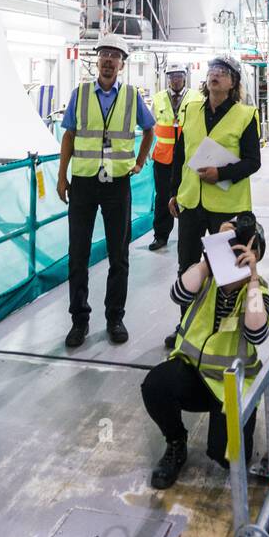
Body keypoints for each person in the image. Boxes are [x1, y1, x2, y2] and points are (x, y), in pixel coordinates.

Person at [141, 215, 269, 489]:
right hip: (194, 375)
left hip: (230, 389)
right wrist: (208, 260)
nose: (232, 256)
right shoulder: (206, 279)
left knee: (228, 458)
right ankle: (176, 443)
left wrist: (250, 278)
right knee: (155, 385)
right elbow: (177, 294)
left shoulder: (258, 290)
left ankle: (240, 422)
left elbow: (256, 333)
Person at [56, 34, 155, 349]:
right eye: (104, 55)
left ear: (122, 64)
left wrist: (140, 162)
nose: (109, 60)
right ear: (96, 61)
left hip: (117, 184)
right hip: (84, 182)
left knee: (119, 255)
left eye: (115, 55)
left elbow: (150, 129)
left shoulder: (131, 96)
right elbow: (69, 136)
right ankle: (79, 321)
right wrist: (62, 177)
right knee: (78, 256)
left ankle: (115, 317)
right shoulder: (81, 94)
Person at [164, 53, 261, 347]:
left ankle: (222, 333)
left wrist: (221, 172)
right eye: (212, 70)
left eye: (222, 71)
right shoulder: (192, 110)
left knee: (226, 272)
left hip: (227, 208)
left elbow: (252, 162)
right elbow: (181, 154)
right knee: (188, 266)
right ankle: (187, 327)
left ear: (233, 83)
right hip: (192, 203)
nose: (215, 74)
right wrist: (173, 192)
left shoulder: (245, 116)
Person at [148, 63, 201, 252]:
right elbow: (150, 126)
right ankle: (160, 236)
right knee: (163, 198)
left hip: (187, 157)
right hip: (163, 158)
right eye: (172, 76)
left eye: (179, 76)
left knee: (189, 197)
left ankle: (190, 236)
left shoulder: (197, 98)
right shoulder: (159, 99)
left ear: (184, 77)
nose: (175, 79)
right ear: (168, 78)